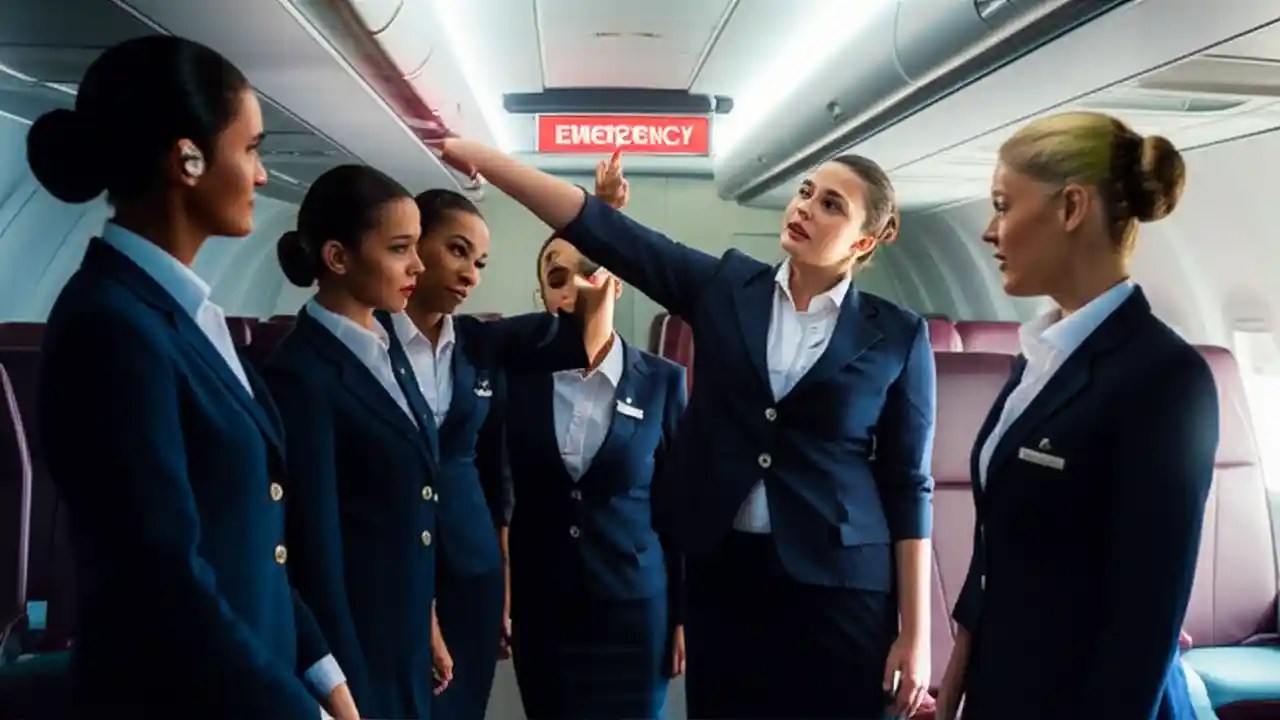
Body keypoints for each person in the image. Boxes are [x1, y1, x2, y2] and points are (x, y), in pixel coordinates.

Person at [431, 143, 936, 719]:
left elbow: (908, 484)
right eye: (805, 192)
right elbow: (604, 231)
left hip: (841, 583)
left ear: (863, 242)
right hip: (725, 574)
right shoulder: (727, 287)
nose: (804, 207)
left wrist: (915, 633)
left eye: (831, 205)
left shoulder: (897, 335)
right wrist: (487, 159)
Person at [28, 35, 356, 719]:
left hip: (247, 683)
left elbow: (252, 541)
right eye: (252, 149)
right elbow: (162, 580)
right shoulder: (109, 328)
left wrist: (323, 674)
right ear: (189, 160)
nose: (262, 176)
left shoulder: (188, 316)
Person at [934, 111, 1218, 720]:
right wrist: (958, 677)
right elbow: (997, 548)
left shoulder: (1165, 378)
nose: (990, 231)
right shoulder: (1040, 358)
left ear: (1070, 207)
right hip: (1003, 689)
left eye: (1003, 206)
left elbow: (1145, 620)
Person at [379, 188, 595, 720]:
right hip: (390, 564)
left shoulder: (481, 343)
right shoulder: (366, 338)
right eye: (457, 251)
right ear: (412, 244)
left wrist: (599, 225)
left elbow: (577, 331)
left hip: (471, 569)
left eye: (479, 263)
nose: (470, 275)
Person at [501, 180, 688, 720]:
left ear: (617, 284)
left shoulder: (663, 381)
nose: (574, 287)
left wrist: (683, 614)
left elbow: (678, 510)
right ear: (543, 298)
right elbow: (500, 493)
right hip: (545, 609)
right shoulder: (515, 378)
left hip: (636, 611)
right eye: (557, 278)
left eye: (590, 270)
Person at [263, 164, 444, 719]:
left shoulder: (388, 344)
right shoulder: (301, 374)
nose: (418, 265)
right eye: (400, 248)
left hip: (405, 638)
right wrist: (341, 685)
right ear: (338, 258)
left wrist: (428, 624)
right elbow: (313, 550)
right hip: (357, 651)